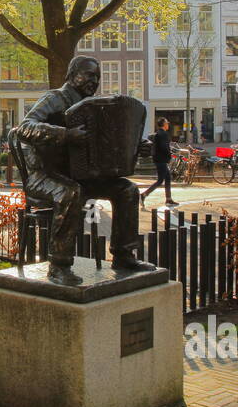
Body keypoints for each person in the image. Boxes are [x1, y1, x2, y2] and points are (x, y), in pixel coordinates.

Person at [13, 55, 154, 286]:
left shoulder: (97, 107)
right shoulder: (54, 99)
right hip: (44, 176)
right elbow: (25, 128)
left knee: (126, 189)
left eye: (97, 77)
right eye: (89, 75)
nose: (94, 81)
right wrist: (64, 135)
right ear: (72, 74)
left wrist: (138, 146)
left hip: (82, 176)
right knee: (71, 192)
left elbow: (110, 141)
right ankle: (59, 266)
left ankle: (124, 255)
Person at [142, 117, 178, 206]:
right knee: (160, 180)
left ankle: (168, 199)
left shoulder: (158, 133)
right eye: (167, 123)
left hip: (158, 159)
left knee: (167, 178)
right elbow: (164, 147)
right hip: (161, 160)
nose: (168, 124)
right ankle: (143, 195)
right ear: (164, 124)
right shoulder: (163, 134)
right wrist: (169, 156)